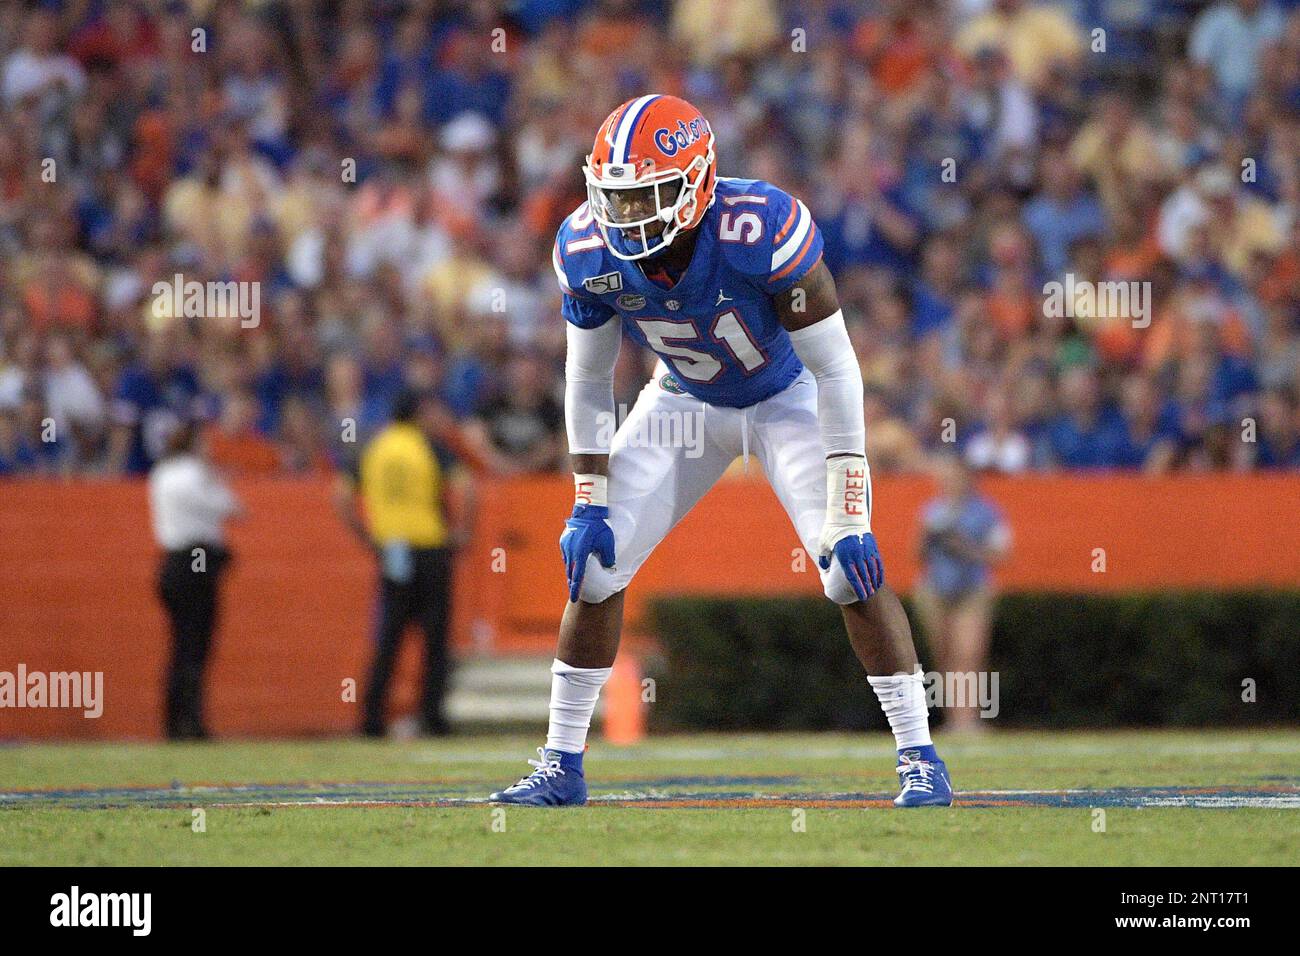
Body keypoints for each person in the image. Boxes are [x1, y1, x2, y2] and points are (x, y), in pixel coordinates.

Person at [489, 95, 953, 808]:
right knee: (596, 563)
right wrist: (588, 499)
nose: (629, 213)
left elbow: (836, 368)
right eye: (618, 196)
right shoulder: (586, 248)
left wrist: (850, 504)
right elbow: (585, 376)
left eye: (648, 193)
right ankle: (560, 762)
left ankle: (920, 757)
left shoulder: (760, 226)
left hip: (786, 398)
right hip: (682, 402)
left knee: (847, 568)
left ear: (698, 182)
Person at [334, 388, 474, 738]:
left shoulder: (373, 447)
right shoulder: (428, 446)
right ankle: (432, 717)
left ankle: (371, 720)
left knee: (388, 639)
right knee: (435, 640)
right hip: (431, 549)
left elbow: (340, 496)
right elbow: (468, 488)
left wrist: (366, 535)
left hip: (393, 550)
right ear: (417, 414)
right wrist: (462, 532)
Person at [147, 421, 241, 740]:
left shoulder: (161, 473)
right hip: (196, 563)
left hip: (171, 564)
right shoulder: (194, 473)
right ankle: (193, 721)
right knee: (196, 646)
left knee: (179, 646)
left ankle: (174, 721)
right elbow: (231, 507)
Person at [915, 454, 1011, 734]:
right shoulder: (932, 511)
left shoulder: (986, 512)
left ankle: (969, 719)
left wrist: (965, 548)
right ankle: (954, 719)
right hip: (937, 587)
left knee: (968, 652)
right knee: (943, 652)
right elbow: (918, 553)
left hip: (972, 587)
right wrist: (929, 540)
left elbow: (1001, 553)